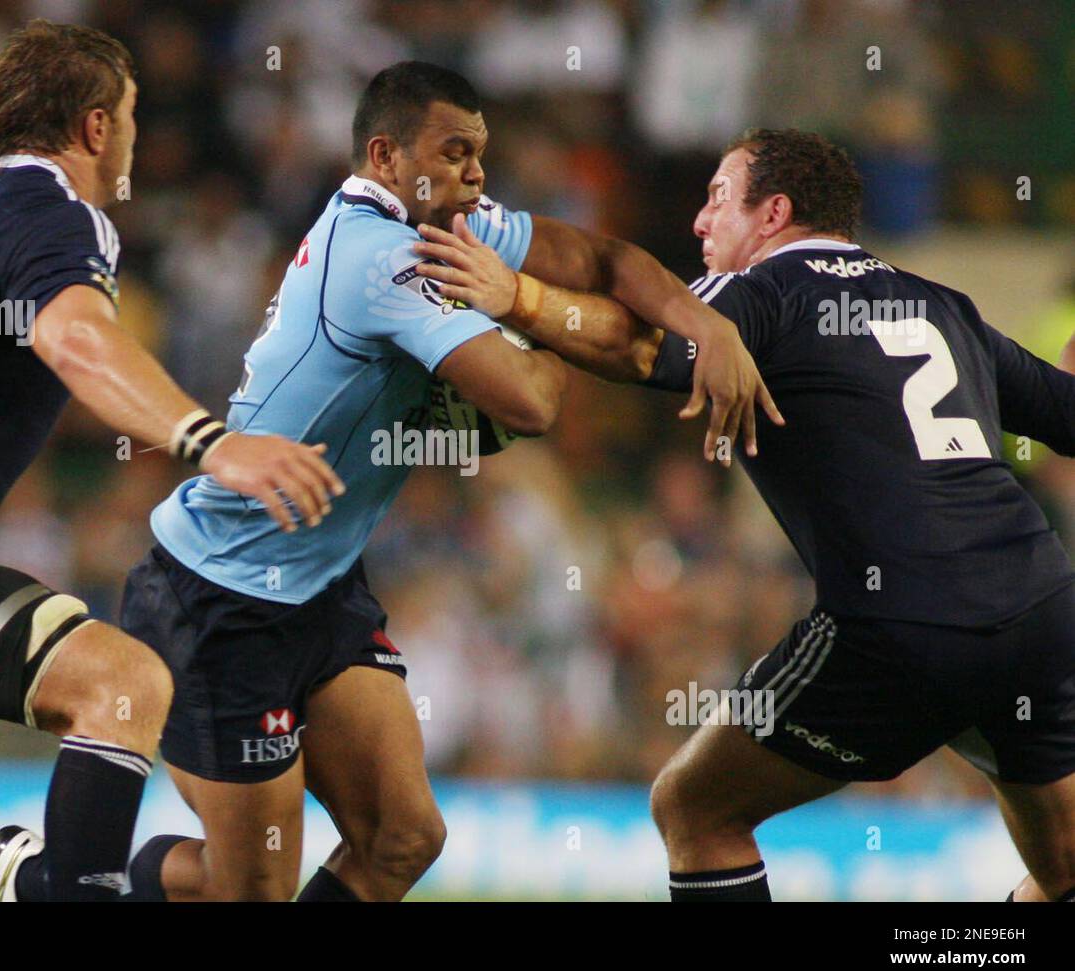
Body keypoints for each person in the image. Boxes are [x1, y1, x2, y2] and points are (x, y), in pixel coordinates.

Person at [113, 61, 776, 902]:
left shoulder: (450, 225)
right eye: (455, 151)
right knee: (246, 889)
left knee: (402, 839)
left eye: (480, 153)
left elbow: (602, 259)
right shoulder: (380, 260)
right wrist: (527, 307)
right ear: (386, 156)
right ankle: (49, 877)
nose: (475, 172)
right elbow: (533, 404)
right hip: (218, 596)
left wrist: (704, 324)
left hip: (317, 587)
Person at [415, 126, 1075, 903]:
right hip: (1041, 607)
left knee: (695, 810)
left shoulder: (765, 291)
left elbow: (637, 346)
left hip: (904, 619)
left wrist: (516, 296)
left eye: (718, 199)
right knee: (1063, 871)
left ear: (774, 214)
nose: (699, 221)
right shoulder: (942, 306)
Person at [0, 20, 341, 902]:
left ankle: (40, 884)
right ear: (95, 127)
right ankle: (46, 890)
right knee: (122, 685)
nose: (138, 137)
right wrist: (213, 443)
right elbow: (74, 338)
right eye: (133, 114)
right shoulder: (55, 212)